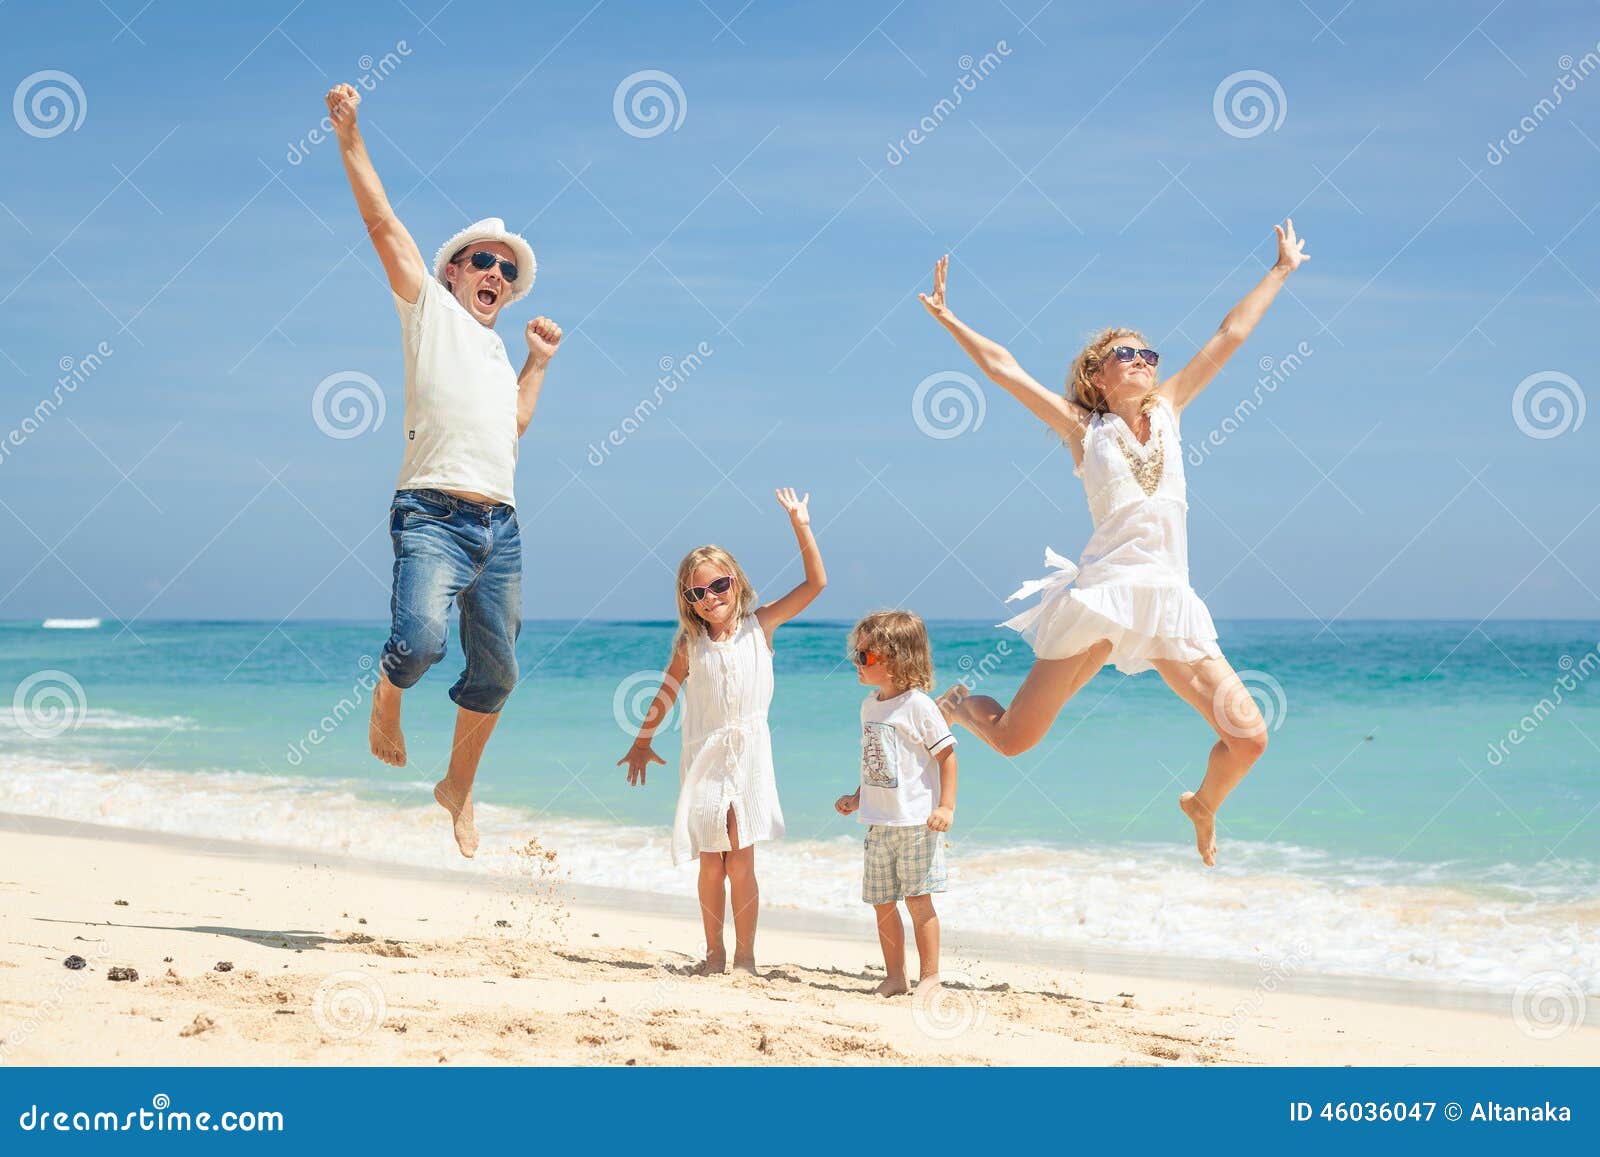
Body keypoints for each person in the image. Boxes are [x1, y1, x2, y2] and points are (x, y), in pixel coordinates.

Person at [919, 220, 1311, 866]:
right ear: (1097, 376)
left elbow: (1231, 334)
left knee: (1248, 735)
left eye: (1149, 355)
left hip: (1168, 604)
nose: (1144, 362)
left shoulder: (1172, 409)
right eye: (1127, 355)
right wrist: (948, 317)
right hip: (1102, 599)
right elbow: (1004, 370)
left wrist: (1281, 269)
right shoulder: (1084, 429)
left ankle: (1203, 803)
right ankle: (960, 702)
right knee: (1016, 739)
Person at [326, 82, 564, 858]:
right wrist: (351, 134)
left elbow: (515, 424)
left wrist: (538, 360)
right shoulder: (425, 310)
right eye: (484, 262)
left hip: (502, 524)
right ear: (453, 271)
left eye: (507, 269)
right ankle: (384, 703)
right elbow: (380, 221)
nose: (497, 272)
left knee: (497, 673)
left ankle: (458, 786)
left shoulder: (499, 352)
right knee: (422, 641)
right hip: (430, 513)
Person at [619, 489, 826, 975]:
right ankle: (714, 954)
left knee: (743, 858)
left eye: (719, 586)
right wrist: (642, 742)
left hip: (750, 755)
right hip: (706, 757)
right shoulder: (690, 645)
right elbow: (665, 694)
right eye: (697, 593)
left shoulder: (761, 625)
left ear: (737, 583)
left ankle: (746, 957)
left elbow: (816, 583)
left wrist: (801, 524)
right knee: (713, 860)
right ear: (687, 602)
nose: (710, 598)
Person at [835, 610, 958, 998]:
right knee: (882, 904)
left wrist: (946, 807)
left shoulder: (919, 706)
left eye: (865, 657)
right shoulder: (870, 706)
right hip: (877, 823)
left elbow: (947, 756)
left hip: (916, 824)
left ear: (896, 659)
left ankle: (931, 977)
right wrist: (858, 796)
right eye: (857, 654)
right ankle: (894, 976)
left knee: (918, 902)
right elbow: (876, 758)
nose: (856, 663)